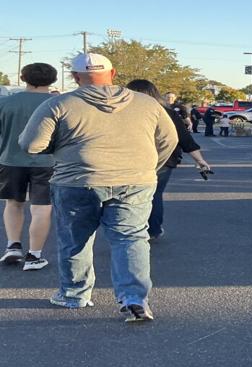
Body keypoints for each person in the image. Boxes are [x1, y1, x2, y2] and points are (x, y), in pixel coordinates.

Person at [19, 52, 176, 322]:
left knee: (75, 239)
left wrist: (61, 150)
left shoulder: (59, 104)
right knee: (131, 238)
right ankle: (134, 300)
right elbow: (168, 140)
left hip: (77, 181)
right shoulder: (147, 104)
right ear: (113, 74)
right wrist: (146, 167)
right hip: (135, 180)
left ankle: (74, 294)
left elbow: (31, 145)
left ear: (75, 76)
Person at [126, 79, 212, 242]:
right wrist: (200, 161)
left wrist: (200, 160)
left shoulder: (129, 113)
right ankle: (152, 229)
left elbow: (184, 139)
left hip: (142, 159)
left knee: (139, 194)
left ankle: (141, 227)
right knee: (153, 194)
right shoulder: (167, 112)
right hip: (164, 159)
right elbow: (185, 139)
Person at [0, 63, 59, 272]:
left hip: (10, 159)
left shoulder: (5, 102)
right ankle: (34, 255)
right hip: (48, 162)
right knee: (42, 207)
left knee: (13, 203)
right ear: (52, 79)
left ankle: (13, 246)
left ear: (23, 78)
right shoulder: (58, 103)